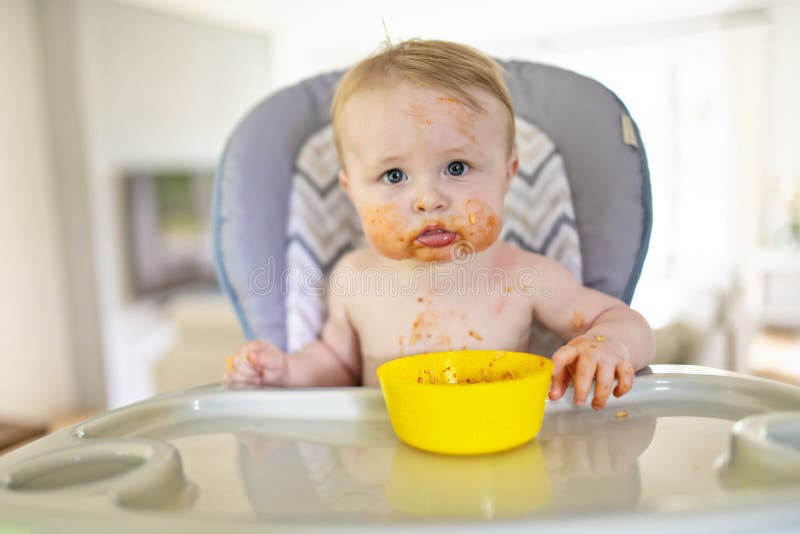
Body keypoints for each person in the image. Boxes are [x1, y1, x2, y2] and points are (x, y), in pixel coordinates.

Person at [223, 39, 655, 411]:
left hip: (502, 466)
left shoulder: (525, 277)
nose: (429, 199)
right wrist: (287, 371)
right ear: (351, 190)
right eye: (394, 176)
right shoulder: (355, 280)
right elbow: (337, 363)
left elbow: (624, 322)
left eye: (457, 166)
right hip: (394, 479)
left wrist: (610, 345)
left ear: (507, 176)